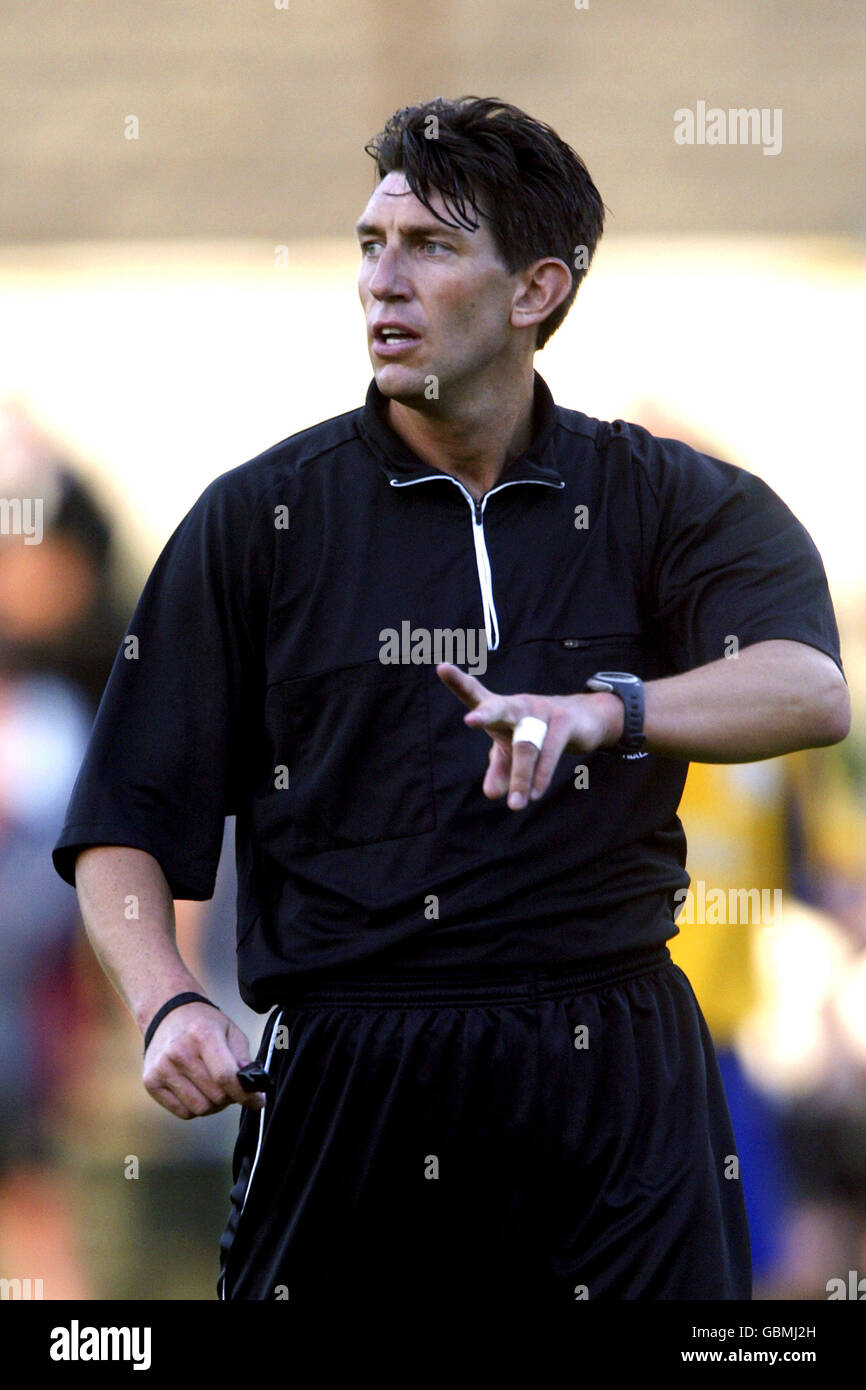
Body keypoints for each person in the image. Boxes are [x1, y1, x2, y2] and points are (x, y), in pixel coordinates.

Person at [53, 96, 849, 1309]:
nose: (381, 280)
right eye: (370, 245)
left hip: (616, 1070)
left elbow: (807, 686)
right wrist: (166, 1003)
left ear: (535, 289)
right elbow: (123, 821)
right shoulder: (256, 519)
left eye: (428, 246)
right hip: (352, 1078)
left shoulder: (665, 499)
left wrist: (604, 711)